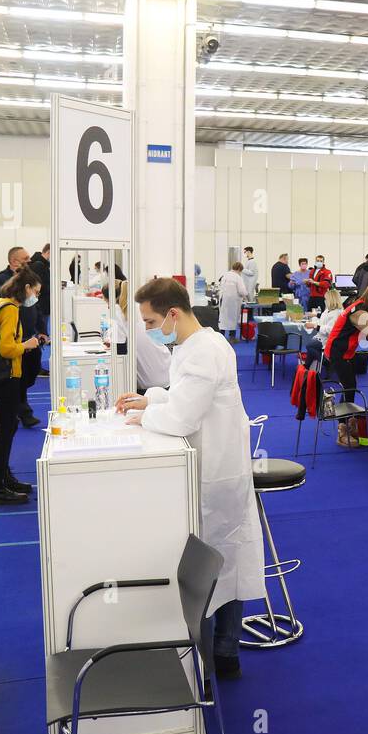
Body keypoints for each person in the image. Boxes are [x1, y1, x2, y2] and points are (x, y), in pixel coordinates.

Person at [116, 278, 267, 680]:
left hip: (217, 472)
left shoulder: (203, 352)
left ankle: (224, 650)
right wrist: (153, 399)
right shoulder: (197, 345)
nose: (147, 327)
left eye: (149, 320)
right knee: (220, 557)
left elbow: (184, 416)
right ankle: (219, 646)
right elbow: (184, 395)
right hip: (214, 464)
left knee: (222, 560)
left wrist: (147, 413)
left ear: (173, 314)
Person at [0, 267, 43, 504]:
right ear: (27, 288)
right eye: (35, 292)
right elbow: (7, 348)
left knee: (5, 429)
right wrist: (27, 345)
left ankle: (4, 477)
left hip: (0, 377)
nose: (35, 297)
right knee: (5, 431)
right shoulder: (10, 310)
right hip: (7, 377)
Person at [325, 278, 368, 445]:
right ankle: (342, 429)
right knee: (349, 389)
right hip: (337, 352)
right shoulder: (359, 312)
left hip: (346, 352)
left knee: (351, 387)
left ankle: (350, 423)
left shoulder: (361, 306)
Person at [0, 246, 42, 428]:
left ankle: (13, 407)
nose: (29, 261)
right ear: (14, 261)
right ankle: (20, 411)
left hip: (28, 338)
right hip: (11, 342)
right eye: (25, 258)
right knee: (15, 380)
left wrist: (42, 329)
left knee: (29, 374)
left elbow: (35, 308)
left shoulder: (30, 280)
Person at [107, 280, 172, 392]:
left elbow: (119, 350)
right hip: (167, 370)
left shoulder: (117, 312)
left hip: (148, 383)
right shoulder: (142, 307)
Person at [218, 261, 248, 342]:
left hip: (224, 301)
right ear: (239, 269)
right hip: (233, 302)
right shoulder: (238, 277)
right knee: (233, 320)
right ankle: (232, 338)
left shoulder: (225, 275)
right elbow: (242, 291)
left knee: (223, 320)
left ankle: (221, 338)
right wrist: (246, 295)